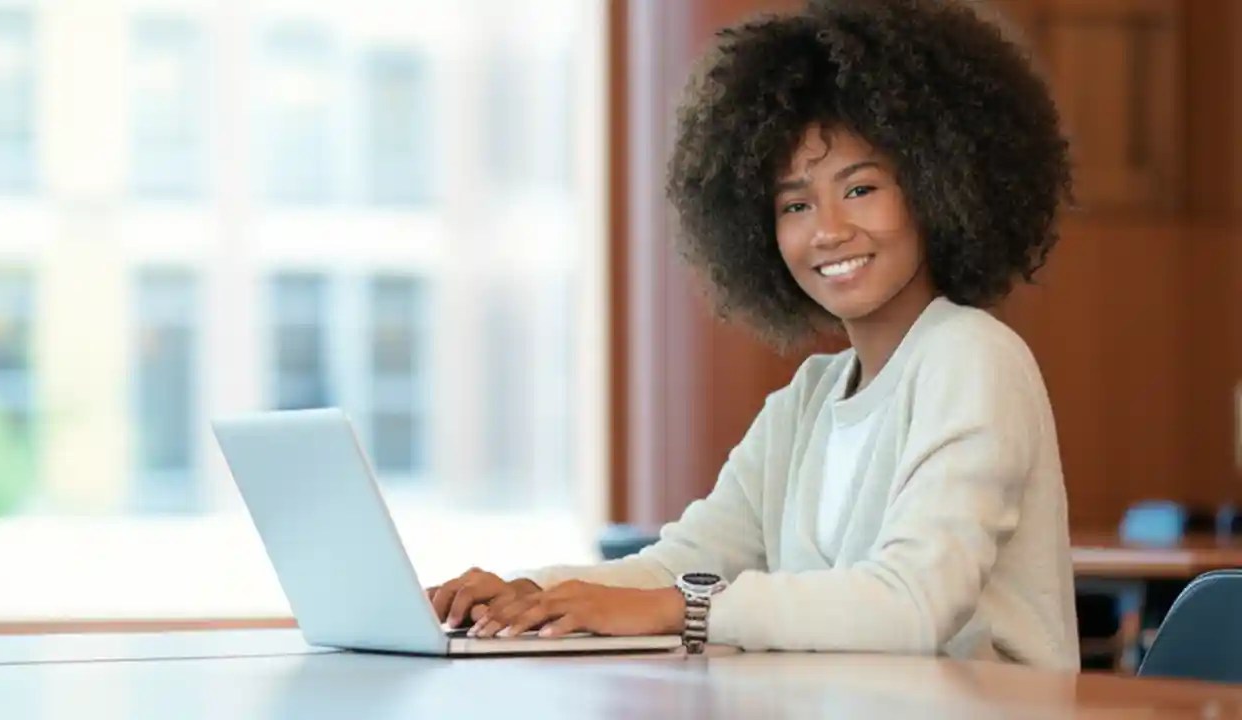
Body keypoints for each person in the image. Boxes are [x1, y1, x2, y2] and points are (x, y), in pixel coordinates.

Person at [428, 0, 1078, 670]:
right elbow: (684, 563)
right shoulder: (808, 401)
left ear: (939, 186)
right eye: (795, 204)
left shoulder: (972, 356)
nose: (826, 229)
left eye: (860, 189)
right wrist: (527, 595)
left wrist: (687, 609)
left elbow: (912, 604)